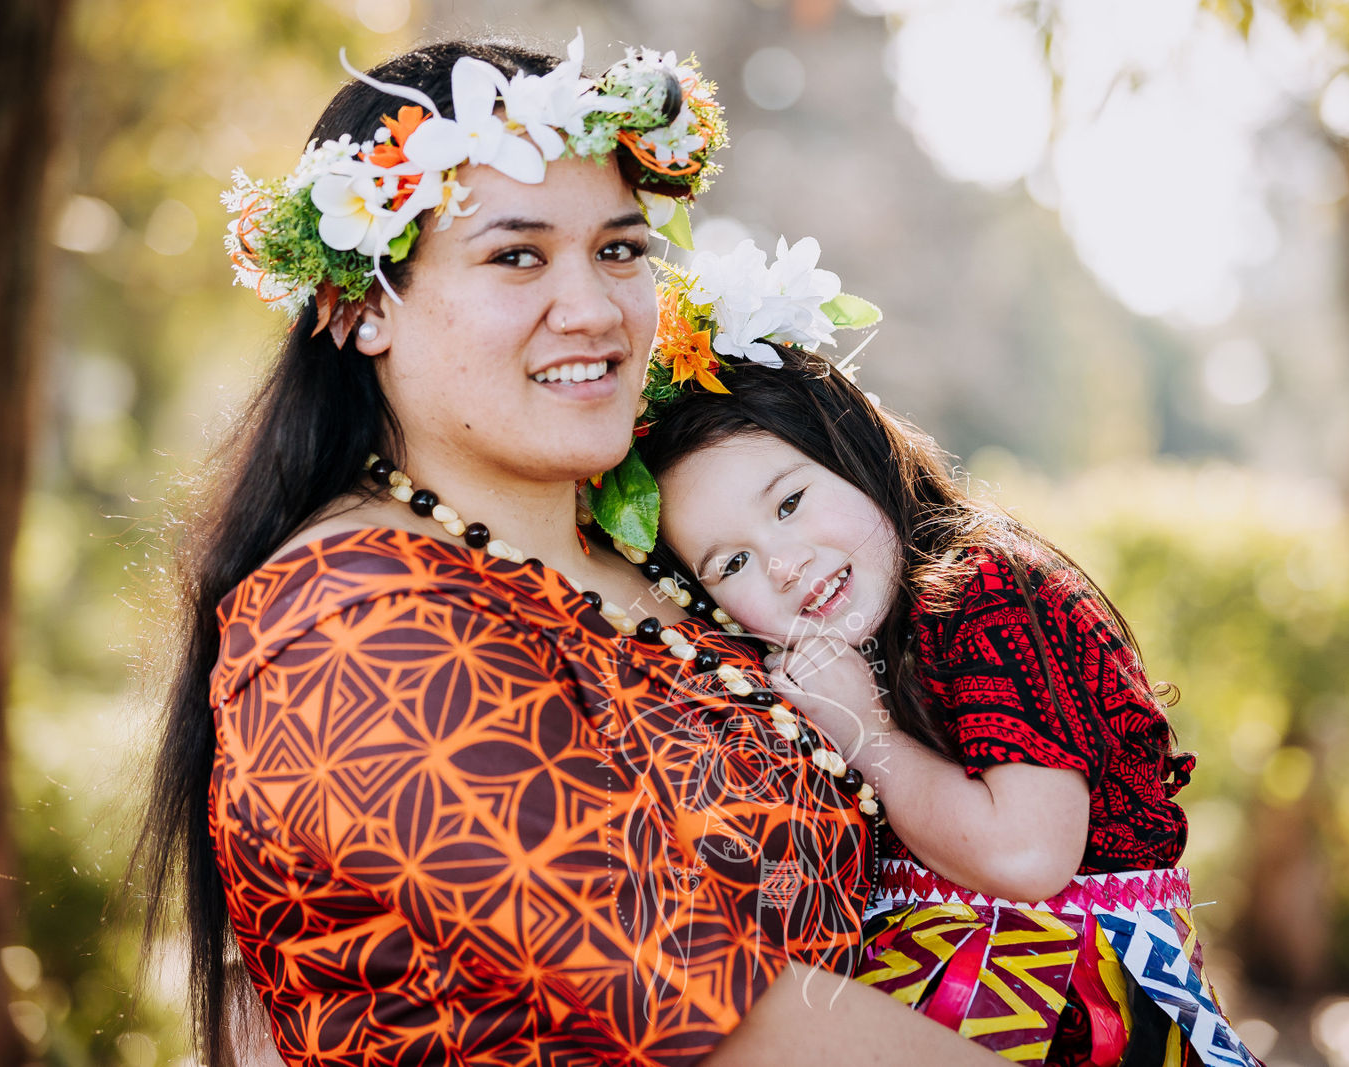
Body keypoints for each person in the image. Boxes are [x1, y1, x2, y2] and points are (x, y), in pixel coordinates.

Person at [134, 34, 1005, 1067]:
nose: (594, 309)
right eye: (516, 255)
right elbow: (712, 1009)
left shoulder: (673, 559)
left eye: (621, 249)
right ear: (361, 303)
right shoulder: (357, 623)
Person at [635, 258, 1266, 1066]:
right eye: (731, 563)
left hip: (1073, 1008)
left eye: (790, 502)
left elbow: (1027, 857)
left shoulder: (983, 592)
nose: (785, 564)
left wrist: (868, 733)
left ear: (853, 447)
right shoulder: (838, 652)